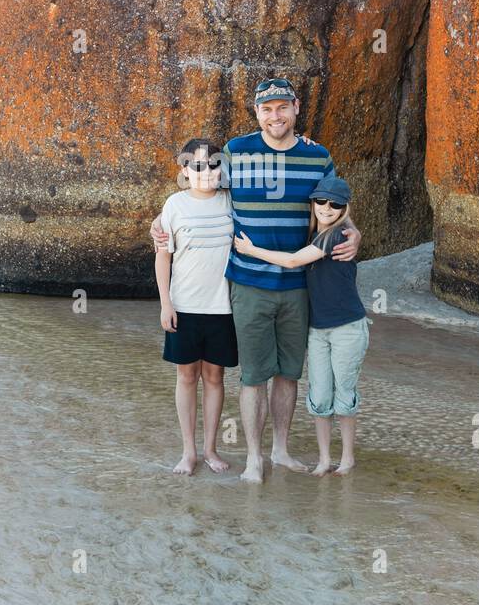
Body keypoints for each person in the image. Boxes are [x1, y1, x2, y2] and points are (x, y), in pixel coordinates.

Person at [151, 78, 361, 483]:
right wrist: (159, 224)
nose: (275, 116)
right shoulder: (236, 152)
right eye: (267, 109)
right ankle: (253, 458)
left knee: (288, 373)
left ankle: (279, 450)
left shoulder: (318, 157)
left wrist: (355, 234)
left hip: (299, 286)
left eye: (282, 107)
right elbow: (200, 183)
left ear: (296, 108)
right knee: (253, 375)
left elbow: (336, 207)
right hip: (247, 285)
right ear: (257, 112)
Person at [233, 176, 369, 476]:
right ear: (313, 202)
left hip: (347, 327)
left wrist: (251, 250)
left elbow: (294, 261)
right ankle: (323, 460)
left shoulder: (337, 234)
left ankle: (346, 459)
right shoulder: (316, 233)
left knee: (344, 395)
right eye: (321, 201)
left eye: (336, 204)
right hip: (318, 329)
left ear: (346, 208)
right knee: (320, 396)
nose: (327, 208)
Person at [155, 139, 237, 475]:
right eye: (197, 166)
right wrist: (165, 303)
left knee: (215, 377)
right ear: (185, 171)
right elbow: (163, 257)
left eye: (213, 164)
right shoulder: (174, 205)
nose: (206, 172)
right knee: (187, 376)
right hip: (184, 305)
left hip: (223, 307)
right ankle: (188, 452)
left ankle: (210, 450)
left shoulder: (233, 202)